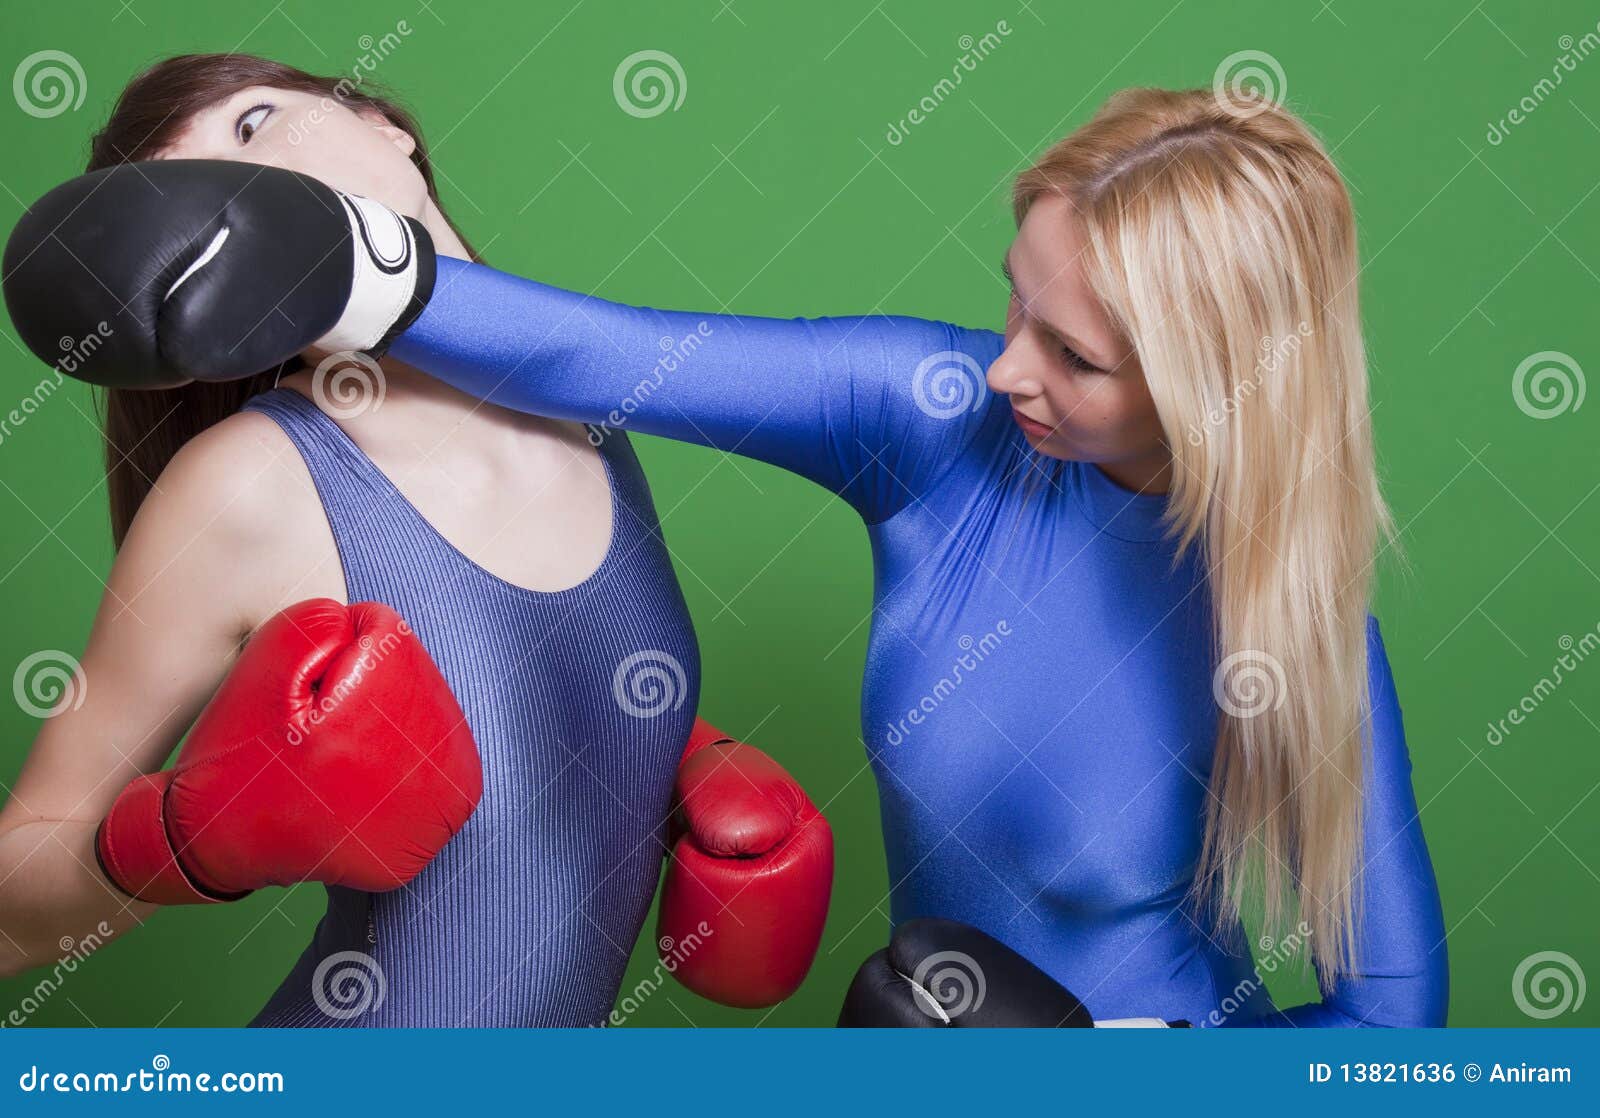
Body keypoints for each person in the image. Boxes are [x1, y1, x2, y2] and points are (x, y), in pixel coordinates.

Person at [8, 85, 1447, 1026]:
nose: (1007, 369)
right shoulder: (930, 416)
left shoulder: (1287, 607)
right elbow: (625, 351)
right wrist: (345, 262)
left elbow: (1395, 1032)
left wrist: (669, 755)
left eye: (1073, 355)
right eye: (1012, 305)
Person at [0, 54, 830, 1027]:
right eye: (202, 195)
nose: (247, 189)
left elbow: (497, 712)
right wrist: (186, 837)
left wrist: (681, 751)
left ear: (388, 126)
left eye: (255, 124)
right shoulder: (252, 482)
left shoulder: (588, 415)